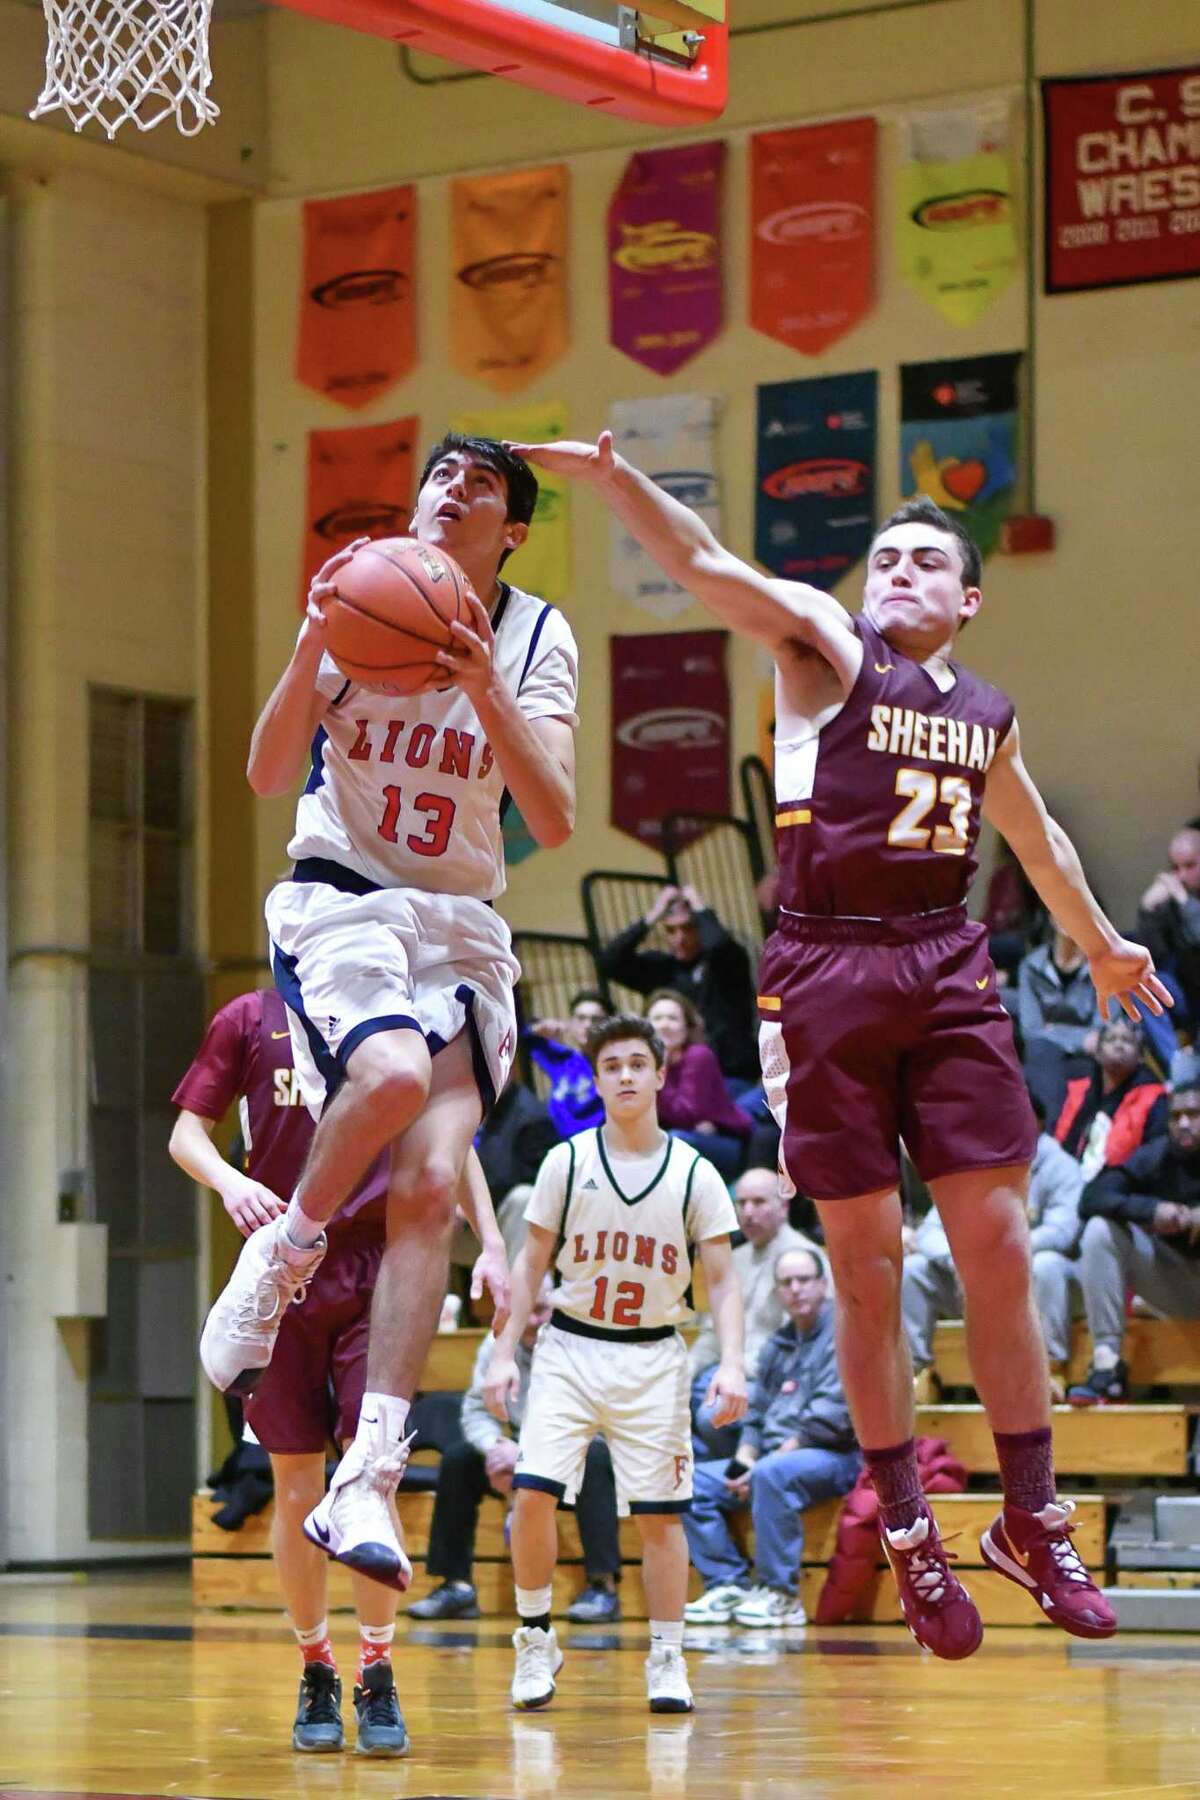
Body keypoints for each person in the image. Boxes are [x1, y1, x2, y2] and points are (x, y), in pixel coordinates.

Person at [512, 428, 1170, 1657]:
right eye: (886, 558)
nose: (899, 573)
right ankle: (915, 1537)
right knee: (864, 1267)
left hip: (944, 957)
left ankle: (1032, 1515)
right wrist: (614, 479)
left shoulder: (985, 715)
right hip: (823, 968)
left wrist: (1098, 943)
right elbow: (706, 561)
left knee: (1000, 1241)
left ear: (970, 599)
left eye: (927, 562)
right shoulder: (822, 643)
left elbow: (1036, 845)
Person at [200, 434, 580, 1609]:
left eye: (480, 487)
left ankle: (371, 1468)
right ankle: (286, 1251)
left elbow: (555, 817)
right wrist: (314, 641)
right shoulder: (361, 595)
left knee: (428, 1190)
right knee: (397, 1079)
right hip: (344, 897)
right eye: (439, 478)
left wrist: (479, 685)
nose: (451, 492)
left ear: (510, 530)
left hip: (462, 920)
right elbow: (269, 774)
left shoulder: (535, 635)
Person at [482, 1014, 746, 1714]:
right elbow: (530, 1262)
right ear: (595, 1081)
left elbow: (721, 1280)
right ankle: (536, 1637)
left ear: (661, 1074)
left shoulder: (695, 1172)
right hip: (570, 1346)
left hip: (656, 1354)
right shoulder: (566, 1163)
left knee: (660, 1517)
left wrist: (735, 1365)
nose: (625, 1076)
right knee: (532, 1492)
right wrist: (504, 1354)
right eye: (611, 1066)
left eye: (637, 1063)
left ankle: (667, 1655)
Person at [170, 987, 406, 1756]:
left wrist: (493, 1250)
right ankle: (316, 1665)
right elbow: (186, 1134)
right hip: (279, 1262)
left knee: (371, 1472)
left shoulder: (391, 1007)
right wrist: (232, 1182)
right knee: (295, 1480)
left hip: (372, 1263)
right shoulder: (247, 1016)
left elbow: (449, 1134)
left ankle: (378, 1670)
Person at [408, 1276, 622, 1623]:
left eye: (542, 1310)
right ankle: (456, 1586)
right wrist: (494, 1447)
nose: (534, 1320)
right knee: (460, 1460)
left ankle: (603, 1588)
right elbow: (476, 1409)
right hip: (515, 1453)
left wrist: (524, 1458)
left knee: (597, 1460)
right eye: (525, 1311)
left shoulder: (583, 1348)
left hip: (574, 1452)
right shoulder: (495, 1347)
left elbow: (595, 1426)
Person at [684, 1244, 858, 1628]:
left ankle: (781, 1595)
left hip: (833, 1456)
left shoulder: (844, 1334)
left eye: (804, 1280)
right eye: (786, 1282)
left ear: (823, 1284)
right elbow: (757, 1412)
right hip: (773, 1459)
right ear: (777, 1291)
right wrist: (744, 1459)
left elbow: (830, 1418)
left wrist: (763, 1464)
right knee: (691, 1480)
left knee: (770, 1475)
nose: (795, 1289)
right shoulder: (778, 1343)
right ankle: (727, 1582)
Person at [902, 1093, 1085, 1403]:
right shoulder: (977, 1163)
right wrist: (961, 1257)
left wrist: (1004, 1252)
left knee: (1047, 1264)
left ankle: (1052, 1366)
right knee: (914, 1270)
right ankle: (921, 1372)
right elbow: (932, 1231)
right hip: (975, 1275)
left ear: (1036, 1123)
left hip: (1032, 1275)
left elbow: (1063, 1231)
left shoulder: (1060, 1166)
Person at [1067, 1083, 1200, 1405]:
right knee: (1101, 1230)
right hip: (1181, 1285)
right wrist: (1152, 1210)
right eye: (1176, 1116)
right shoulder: (1157, 1154)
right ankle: (1107, 1364)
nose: (1183, 1123)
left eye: (1194, 1115)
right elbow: (1091, 1197)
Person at [689, 1166, 818, 1454]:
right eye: (741, 1203)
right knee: (668, 1399)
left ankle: (734, 1477)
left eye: (758, 1202)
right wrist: (685, 1371)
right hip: (725, 1372)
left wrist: (732, 1369)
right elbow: (713, 1334)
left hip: (775, 1384)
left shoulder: (804, 1262)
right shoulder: (734, 1259)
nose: (747, 1212)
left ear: (783, 1206)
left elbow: (798, 1346)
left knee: (711, 1415)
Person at [597, 883, 759, 1080]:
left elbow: (719, 944)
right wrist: (654, 914)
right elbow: (609, 962)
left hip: (732, 1074)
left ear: (700, 926)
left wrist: (699, 906)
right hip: (681, 1076)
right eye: (671, 930)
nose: (679, 938)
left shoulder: (725, 961)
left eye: (688, 928)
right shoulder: (661, 969)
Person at [646, 990, 752, 1182]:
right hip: (681, 1139)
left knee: (674, 1140)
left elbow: (686, 1115)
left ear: (686, 1027)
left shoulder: (698, 1056)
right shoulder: (642, 1064)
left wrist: (659, 1067)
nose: (664, 1025)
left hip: (723, 1143)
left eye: (672, 1018)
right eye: (657, 1018)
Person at [1053, 1017, 1168, 1180]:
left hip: (1118, 1184)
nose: (1118, 1045)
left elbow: (1152, 1153)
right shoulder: (1077, 1089)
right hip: (1065, 1176)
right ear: (1098, 1052)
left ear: (1141, 1056)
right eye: (1111, 1039)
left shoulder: (1155, 1097)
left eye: (1127, 1041)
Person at [1017, 926, 1102, 1118]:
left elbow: (1101, 1034)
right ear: (1050, 918)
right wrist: (1079, 1038)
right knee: (1038, 1051)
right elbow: (1030, 1031)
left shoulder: (1104, 964)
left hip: (1089, 1058)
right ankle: (1046, 1137)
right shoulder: (1031, 966)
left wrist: (1052, 1029)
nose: (1067, 916)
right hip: (1046, 1053)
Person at [525, 989, 611, 1140]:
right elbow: (522, 1037)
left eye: (595, 1019)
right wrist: (537, 1027)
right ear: (571, 1023)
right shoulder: (562, 1059)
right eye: (581, 1018)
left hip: (597, 1144)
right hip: (558, 1146)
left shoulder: (614, 1064)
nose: (587, 1025)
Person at [1136, 827, 1200, 1028]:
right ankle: (1174, 1059)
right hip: (1187, 991)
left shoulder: (1180, 897)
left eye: (1190, 866)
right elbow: (1153, 952)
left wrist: (1184, 902)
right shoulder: (1173, 899)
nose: (1181, 876)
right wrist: (1148, 910)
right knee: (1143, 984)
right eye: (1175, 867)